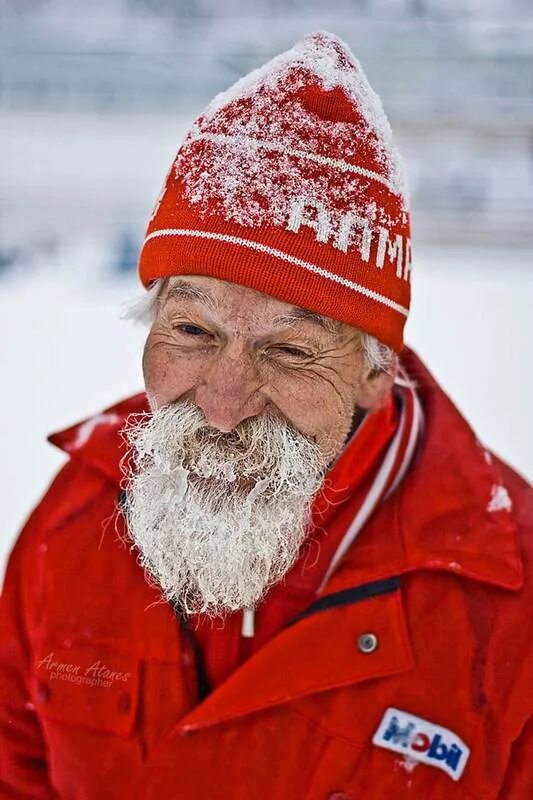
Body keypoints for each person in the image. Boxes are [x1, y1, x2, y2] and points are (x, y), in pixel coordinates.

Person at [0, 31, 531, 800]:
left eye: (289, 351)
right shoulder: (75, 520)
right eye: (191, 331)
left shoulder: (507, 605)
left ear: (375, 372)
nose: (220, 406)